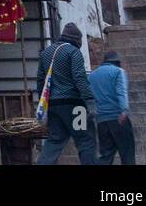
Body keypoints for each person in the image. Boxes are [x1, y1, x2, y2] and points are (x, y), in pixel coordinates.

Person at [35, 22, 98, 165]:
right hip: (75, 106)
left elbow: (40, 80)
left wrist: (43, 102)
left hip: (53, 106)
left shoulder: (46, 53)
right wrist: (90, 102)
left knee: (54, 141)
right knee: (85, 140)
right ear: (76, 39)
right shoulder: (73, 52)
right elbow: (79, 78)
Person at [90, 51, 136, 165]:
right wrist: (124, 110)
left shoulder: (92, 75)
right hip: (118, 118)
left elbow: (89, 97)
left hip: (101, 120)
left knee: (106, 155)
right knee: (127, 153)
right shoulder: (118, 72)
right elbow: (122, 92)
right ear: (117, 62)